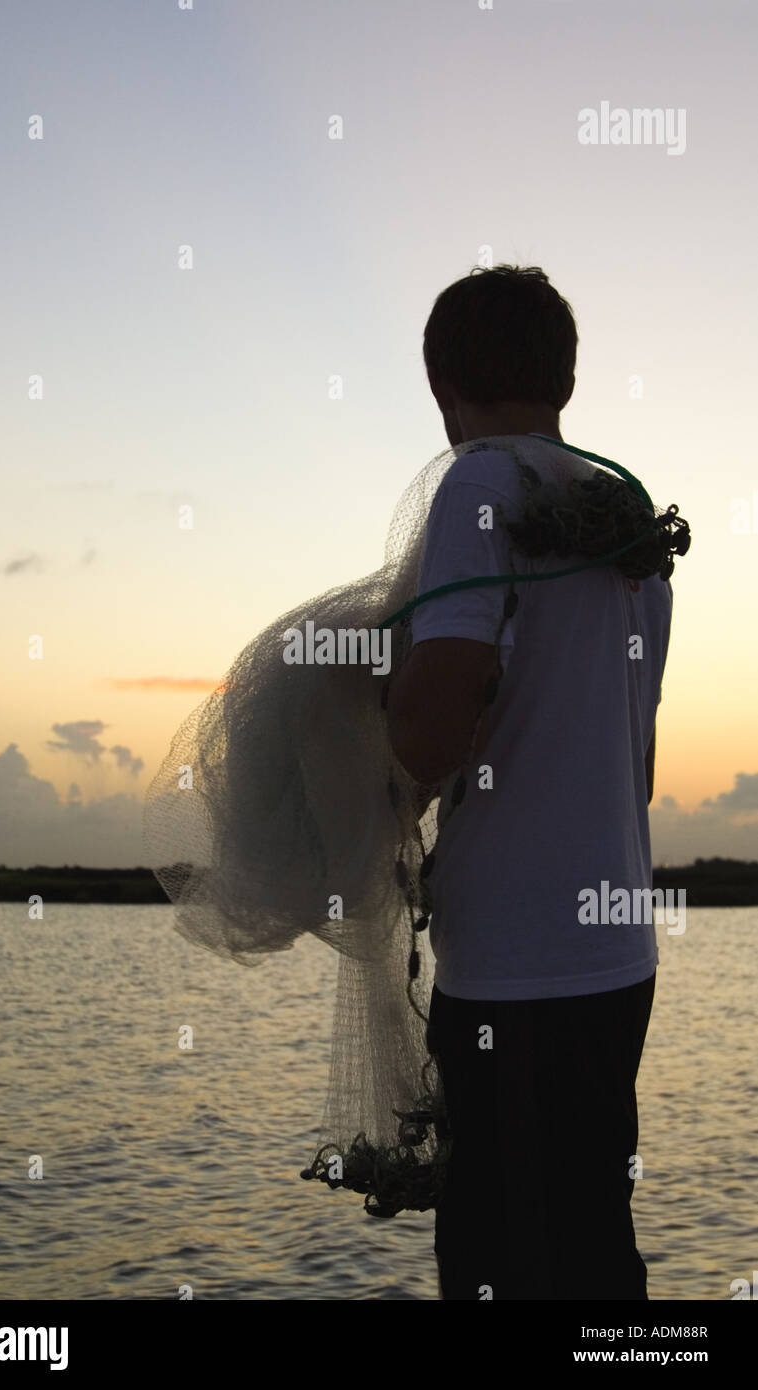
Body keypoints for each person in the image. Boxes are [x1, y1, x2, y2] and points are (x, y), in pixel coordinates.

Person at [386, 265, 672, 1300]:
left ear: (438, 381)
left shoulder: (479, 483)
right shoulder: (626, 514)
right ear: (565, 375)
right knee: (596, 1243)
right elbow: (626, 755)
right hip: (615, 950)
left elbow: (438, 708)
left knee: (494, 1258)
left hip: (512, 955)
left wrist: (371, 776)